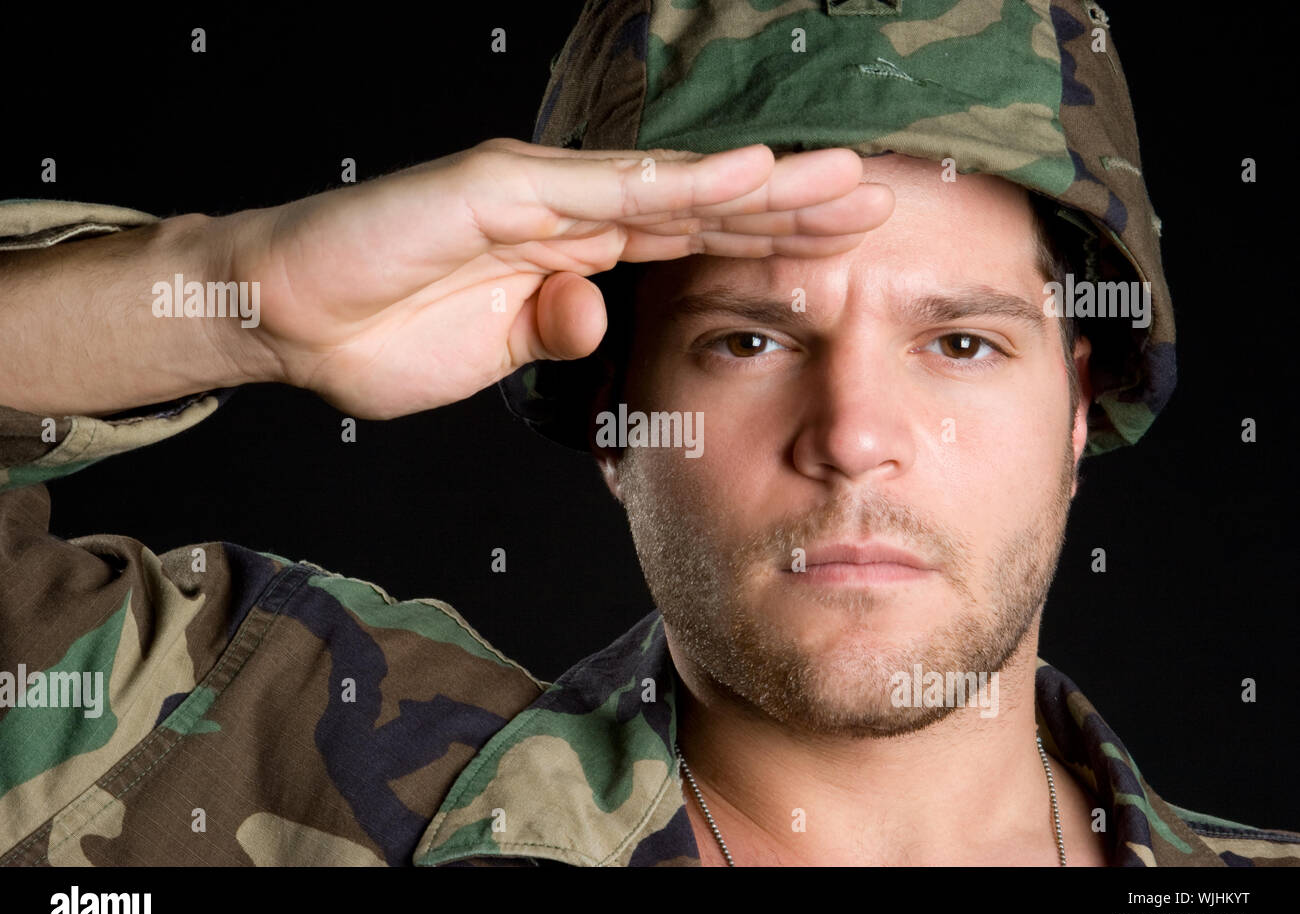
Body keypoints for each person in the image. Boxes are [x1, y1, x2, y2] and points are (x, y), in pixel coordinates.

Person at [0, 0, 1295, 867]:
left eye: (960, 343)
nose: (852, 436)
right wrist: (243, 295)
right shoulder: (275, 752)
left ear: (1075, 408)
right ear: (615, 420)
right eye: (750, 341)